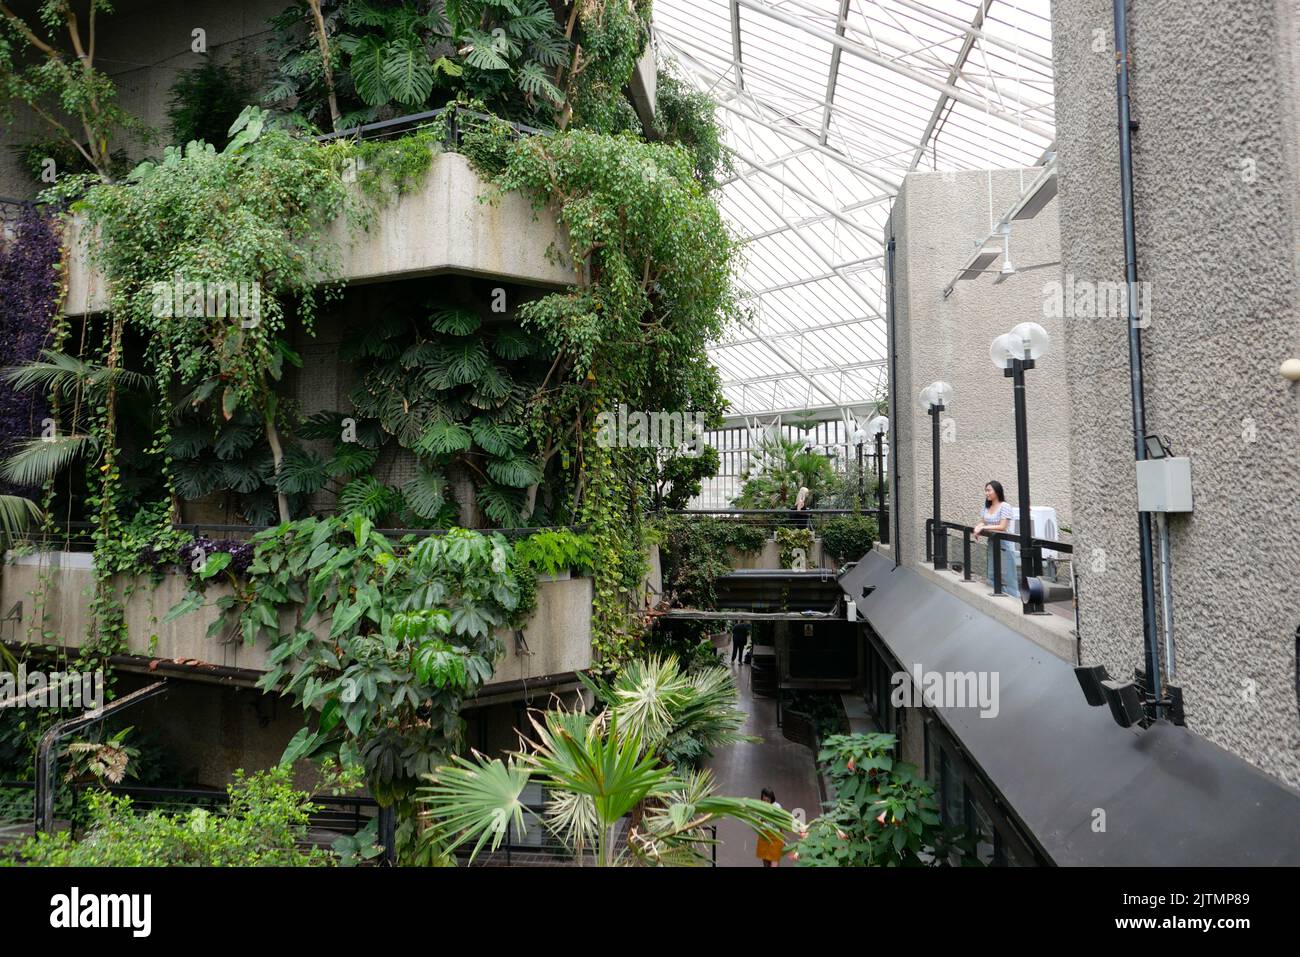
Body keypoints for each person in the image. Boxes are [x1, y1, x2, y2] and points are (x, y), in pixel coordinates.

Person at [973, 480, 1019, 598]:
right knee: (992, 571)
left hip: (1004, 543)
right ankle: (993, 594)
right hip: (992, 542)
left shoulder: (1005, 506)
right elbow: (983, 521)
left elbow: (1003, 526)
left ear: (997, 491)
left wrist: (983, 527)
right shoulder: (986, 506)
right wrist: (978, 527)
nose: (986, 493)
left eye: (989, 490)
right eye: (986, 490)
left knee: (1009, 573)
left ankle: (1014, 599)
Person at [755, 788, 784, 867]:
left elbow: (781, 823)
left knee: (774, 861)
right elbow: (757, 821)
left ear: (771, 799)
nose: (766, 802)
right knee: (765, 860)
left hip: (775, 836)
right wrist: (761, 819)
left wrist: (782, 837)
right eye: (764, 800)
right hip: (764, 836)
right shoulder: (759, 807)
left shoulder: (777, 807)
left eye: (768, 800)